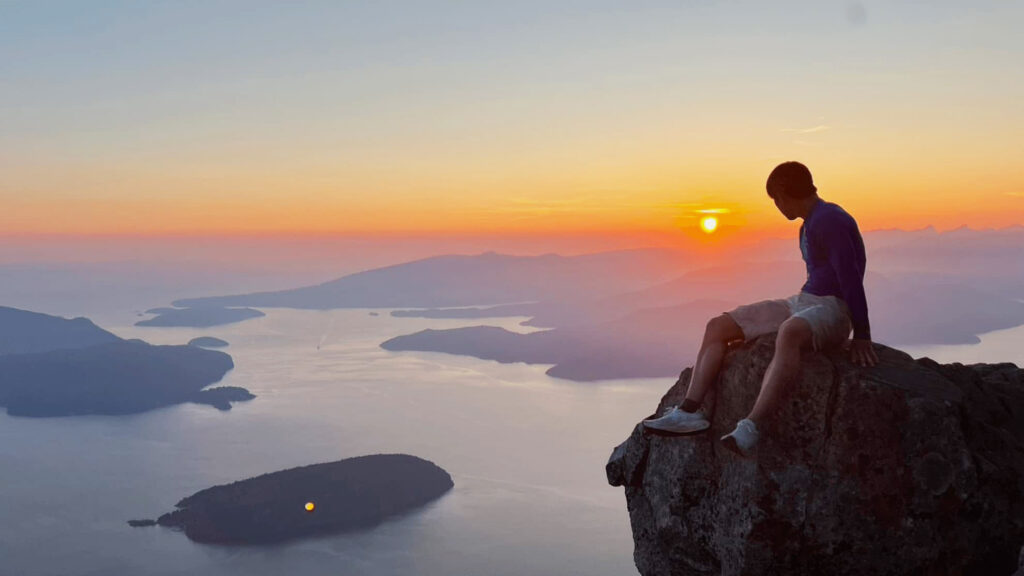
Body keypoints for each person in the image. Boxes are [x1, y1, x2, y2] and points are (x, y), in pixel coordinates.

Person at [642, 161, 879, 457]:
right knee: (718, 326)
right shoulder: (809, 223)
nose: (777, 206)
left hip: (833, 310)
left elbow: (850, 277)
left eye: (776, 200)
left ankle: (752, 427)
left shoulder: (829, 219)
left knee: (789, 332)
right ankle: (690, 412)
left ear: (783, 193)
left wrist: (862, 334)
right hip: (804, 301)